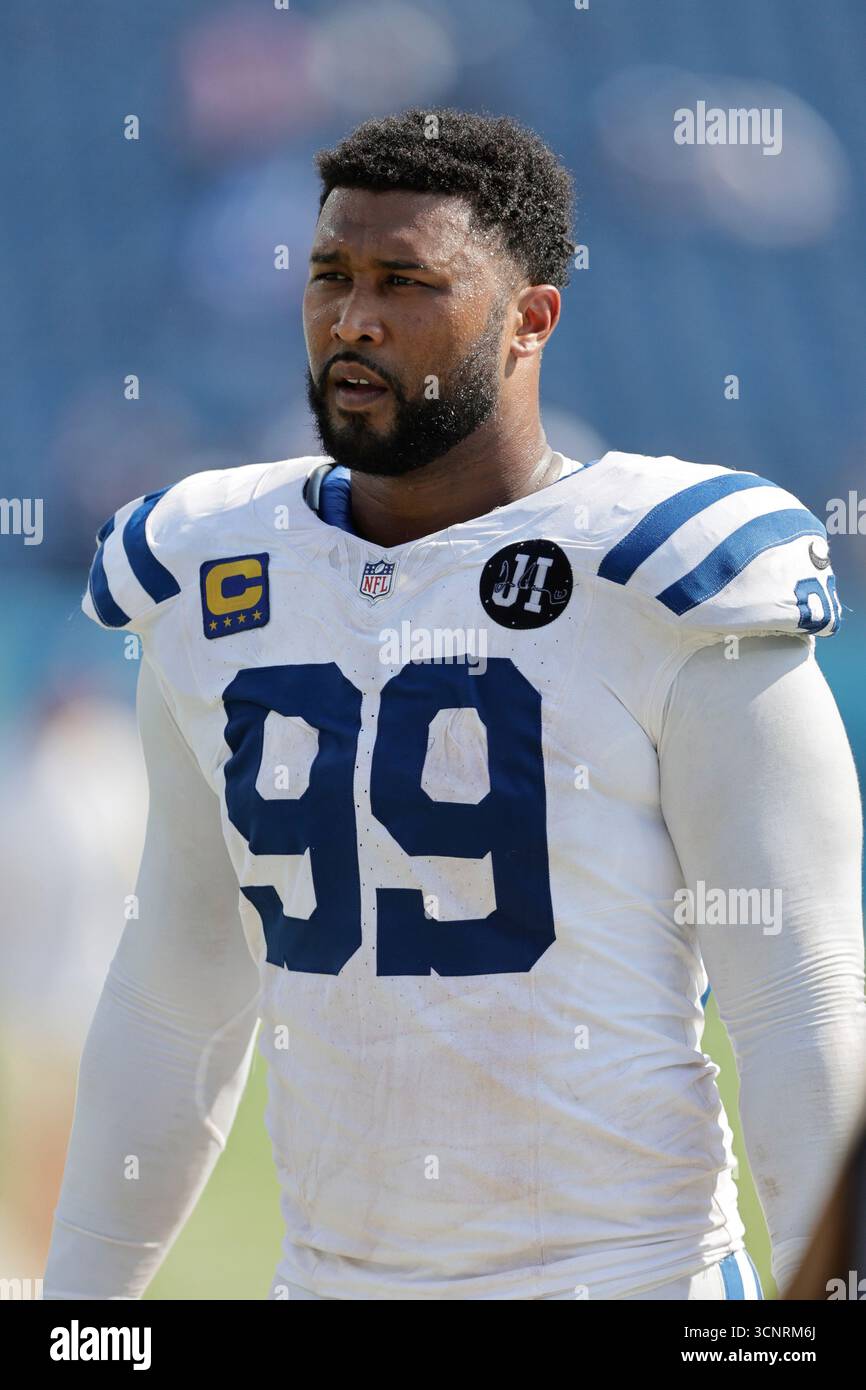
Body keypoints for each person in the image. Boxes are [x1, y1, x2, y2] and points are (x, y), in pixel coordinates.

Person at [44, 108, 865, 1301]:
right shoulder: (208, 566)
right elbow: (179, 988)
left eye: (405, 282)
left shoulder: (665, 572)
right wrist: (82, 1320)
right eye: (329, 275)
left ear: (531, 316)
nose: (353, 318)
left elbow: (799, 994)